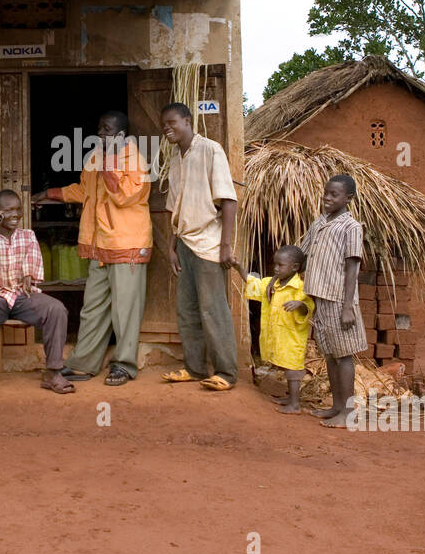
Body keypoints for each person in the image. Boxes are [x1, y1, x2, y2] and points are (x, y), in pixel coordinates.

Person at [31, 111, 151, 387]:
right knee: (93, 307)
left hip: (127, 244)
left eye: (107, 130)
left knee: (125, 310)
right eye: (100, 129)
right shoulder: (96, 156)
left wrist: (110, 159)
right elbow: (85, 190)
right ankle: (83, 362)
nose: (101, 134)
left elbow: (123, 196)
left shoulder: (135, 159)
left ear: (121, 135)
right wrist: (50, 193)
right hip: (100, 246)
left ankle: (124, 365)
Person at [0, 189, 74, 395]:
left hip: (23, 296)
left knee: (56, 309)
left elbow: (33, 259)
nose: (15, 215)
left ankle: (53, 373)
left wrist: (29, 274)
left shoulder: (28, 235)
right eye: (9, 210)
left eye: (18, 210)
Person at [157, 102, 240, 391]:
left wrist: (226, 245)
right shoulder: (176, 159)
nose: (167, 128)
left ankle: (226, 373)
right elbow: (173, 208)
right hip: (184, 245)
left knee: (213, 310)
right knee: (187, 311)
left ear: (188, 121)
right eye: (164, 125)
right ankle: (194, 368)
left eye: (172, 123)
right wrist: (171, 246)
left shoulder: (210, 150)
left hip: (208, 244)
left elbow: (228, 200)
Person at [298, 174, 368, 427]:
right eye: (326, 193)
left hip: (339, 300)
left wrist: (348, 307)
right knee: (329, 354)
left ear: (348, 198)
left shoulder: (352, 228)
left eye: (334, 194)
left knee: (343, 356)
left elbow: (352, 268)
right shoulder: (319, 223)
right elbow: (303, 253)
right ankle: (337, 406)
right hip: (320, 298)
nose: (327, 198)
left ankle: (348, 413)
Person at [230, 246, 314, 413]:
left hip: (292, 337)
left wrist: (300, 304)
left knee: (293, 370)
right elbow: (253, 283)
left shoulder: (300, 287)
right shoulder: (272, 284)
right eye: (275, 264)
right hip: (279, 335)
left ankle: (295, 404)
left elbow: (309, 307)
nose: (276, 268)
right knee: (286, 366)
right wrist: (239, 267)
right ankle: (290, 398)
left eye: (280, 265)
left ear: (295, 267)